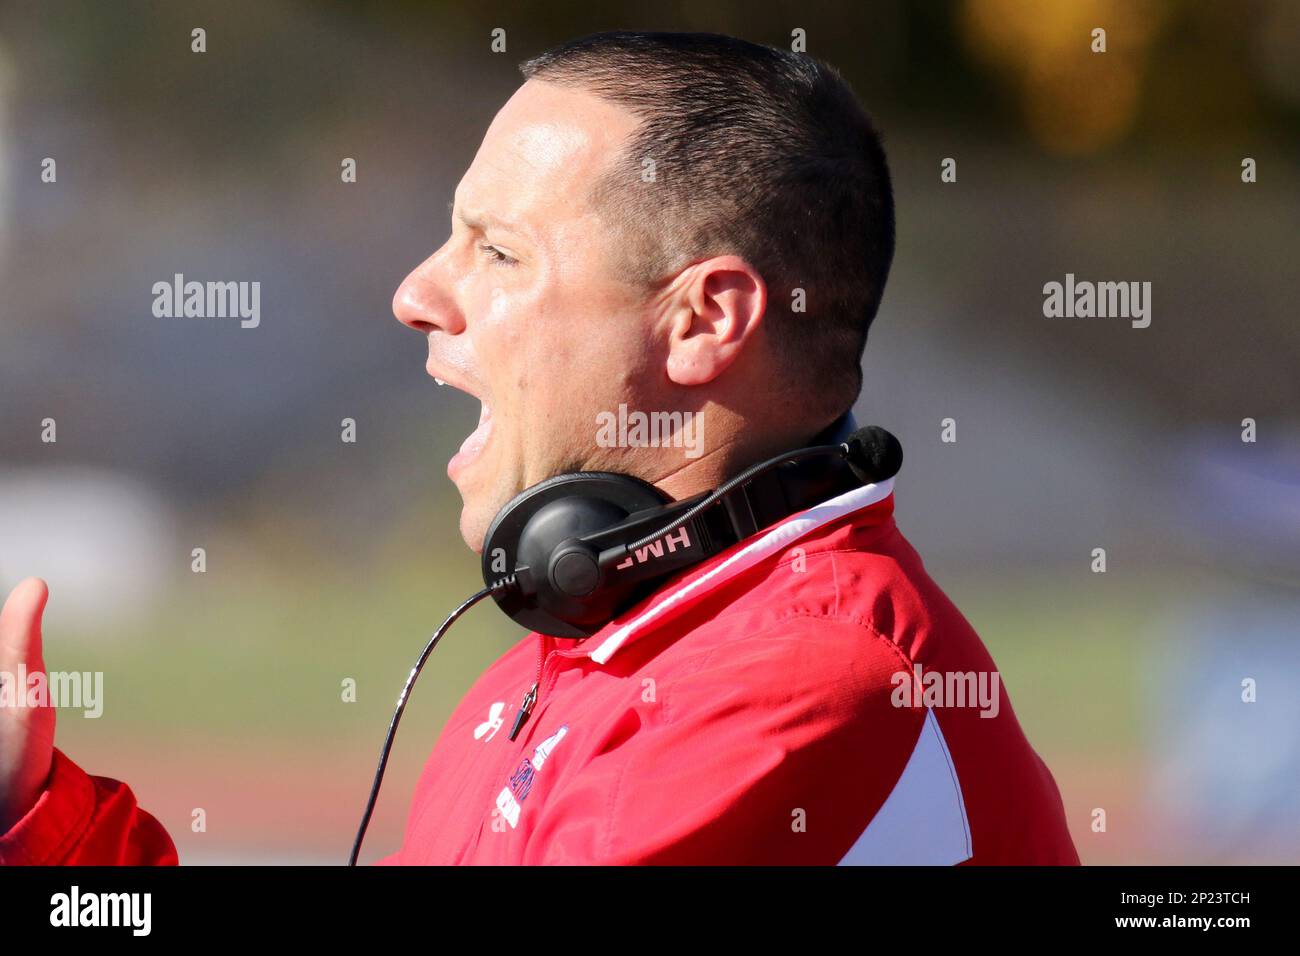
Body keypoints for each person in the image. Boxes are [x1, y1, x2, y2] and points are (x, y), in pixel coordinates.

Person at [0, 31, 1078, 865]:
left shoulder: (811, 683)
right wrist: (36, 810)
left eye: (499, 251)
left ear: (706, 320)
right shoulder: (568, 657)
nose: (417, 293)